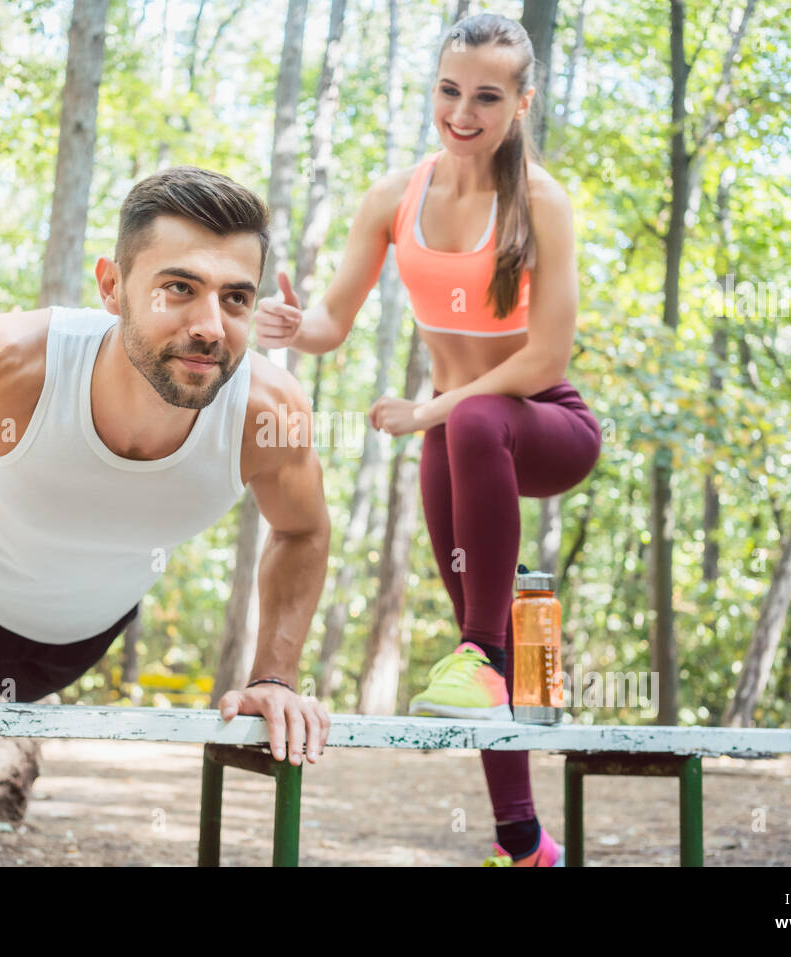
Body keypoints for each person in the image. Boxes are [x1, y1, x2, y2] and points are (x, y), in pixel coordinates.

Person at [0, 166, 331, 768]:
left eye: (235, 297)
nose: (210, 328)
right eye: (179, 288)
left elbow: (303, 530)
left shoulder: (272, 413)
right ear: (112, 287)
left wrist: (275, 677)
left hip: (78, 637)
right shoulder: (2, 363)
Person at [254, 13, 601, 866]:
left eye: (488, 96)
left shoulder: (540, 203)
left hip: (545, 422)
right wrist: (298, 328)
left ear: (521, 103)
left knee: (474, 425)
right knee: (473, 649)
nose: (463, 111)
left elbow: (545, 356)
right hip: (455, 434)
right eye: (450, 90)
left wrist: (428, 410)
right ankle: (525, 840)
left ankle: (483, 651)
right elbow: (336, 318)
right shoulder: (394, 196)